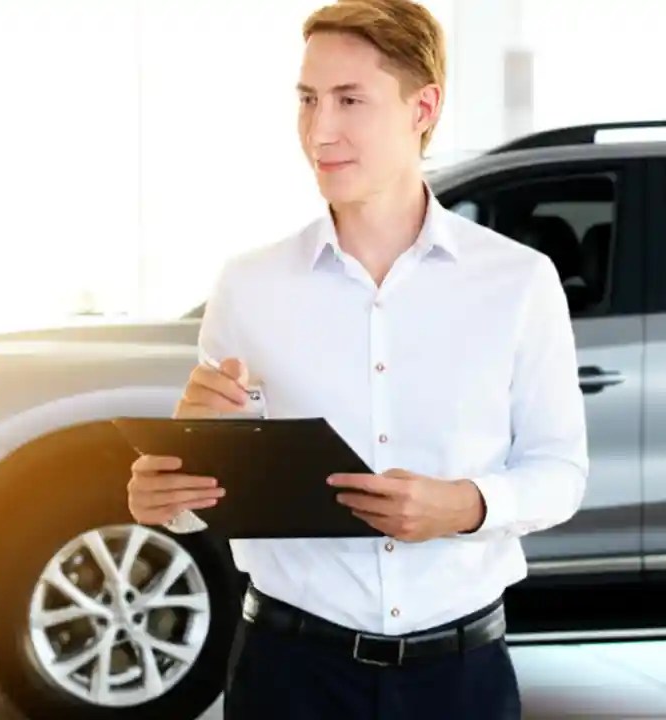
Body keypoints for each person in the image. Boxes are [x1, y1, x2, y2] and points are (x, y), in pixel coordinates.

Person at [126, 0, 588, 717]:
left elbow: (560, 472)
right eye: (307, 99)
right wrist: (172, 499)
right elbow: (219, 493)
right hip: (288, 677)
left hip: (460, 681)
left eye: (350, 100)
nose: (319, 130)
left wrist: (463, 507)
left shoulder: (518, 283)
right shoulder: (249, 287)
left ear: (422, 108)